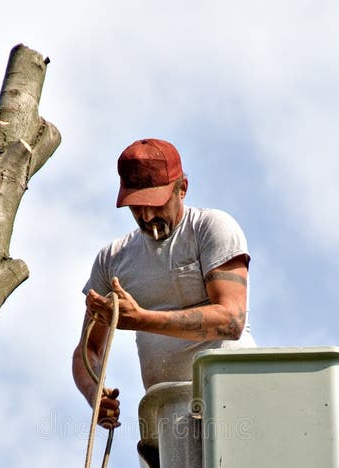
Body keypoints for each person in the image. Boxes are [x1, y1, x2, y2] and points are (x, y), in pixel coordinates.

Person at [72, 138, 255, 427]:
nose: (146, 216)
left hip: (234, 403)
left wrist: (142, 319)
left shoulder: (209, 229)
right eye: (135, 206)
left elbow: (231, 320)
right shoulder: (113, 259)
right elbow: (88, 351)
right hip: (168, 417)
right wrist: (95, 393)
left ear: (182, 188)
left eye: (154, 203)